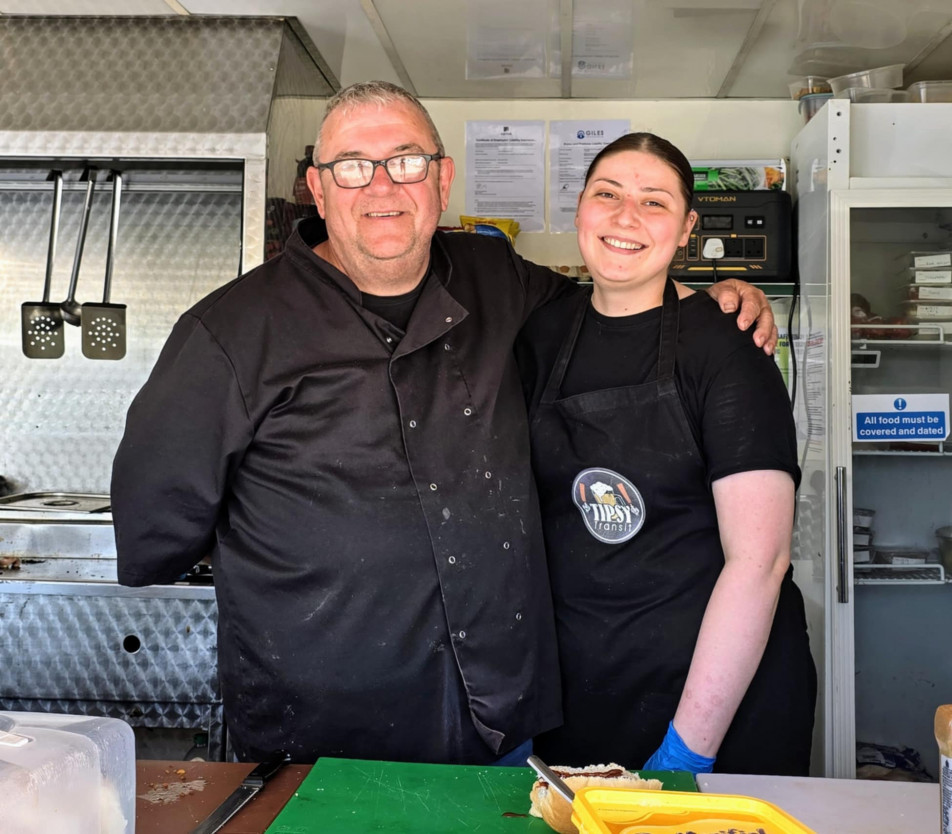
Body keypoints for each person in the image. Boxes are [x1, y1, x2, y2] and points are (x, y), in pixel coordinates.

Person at [111, 81, 777, 766]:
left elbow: (616, 298)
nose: (380, 186)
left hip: (499, 720)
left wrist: (713, 301)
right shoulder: (229, 333)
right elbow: (156, 523)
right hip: (316, 730)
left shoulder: (498, 277)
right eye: (351, 165)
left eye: (405, 160)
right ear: (317, 186)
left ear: (442, 177)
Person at [515, 132, 816, 776]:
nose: (627, 218)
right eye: (608, 195)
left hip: (718, 698)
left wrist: (689, 748)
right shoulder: (538, 333)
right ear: (581, 211)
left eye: (654, 202)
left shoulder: (728, 346)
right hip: (580, 691)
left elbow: (759, 561)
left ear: (687, 230)